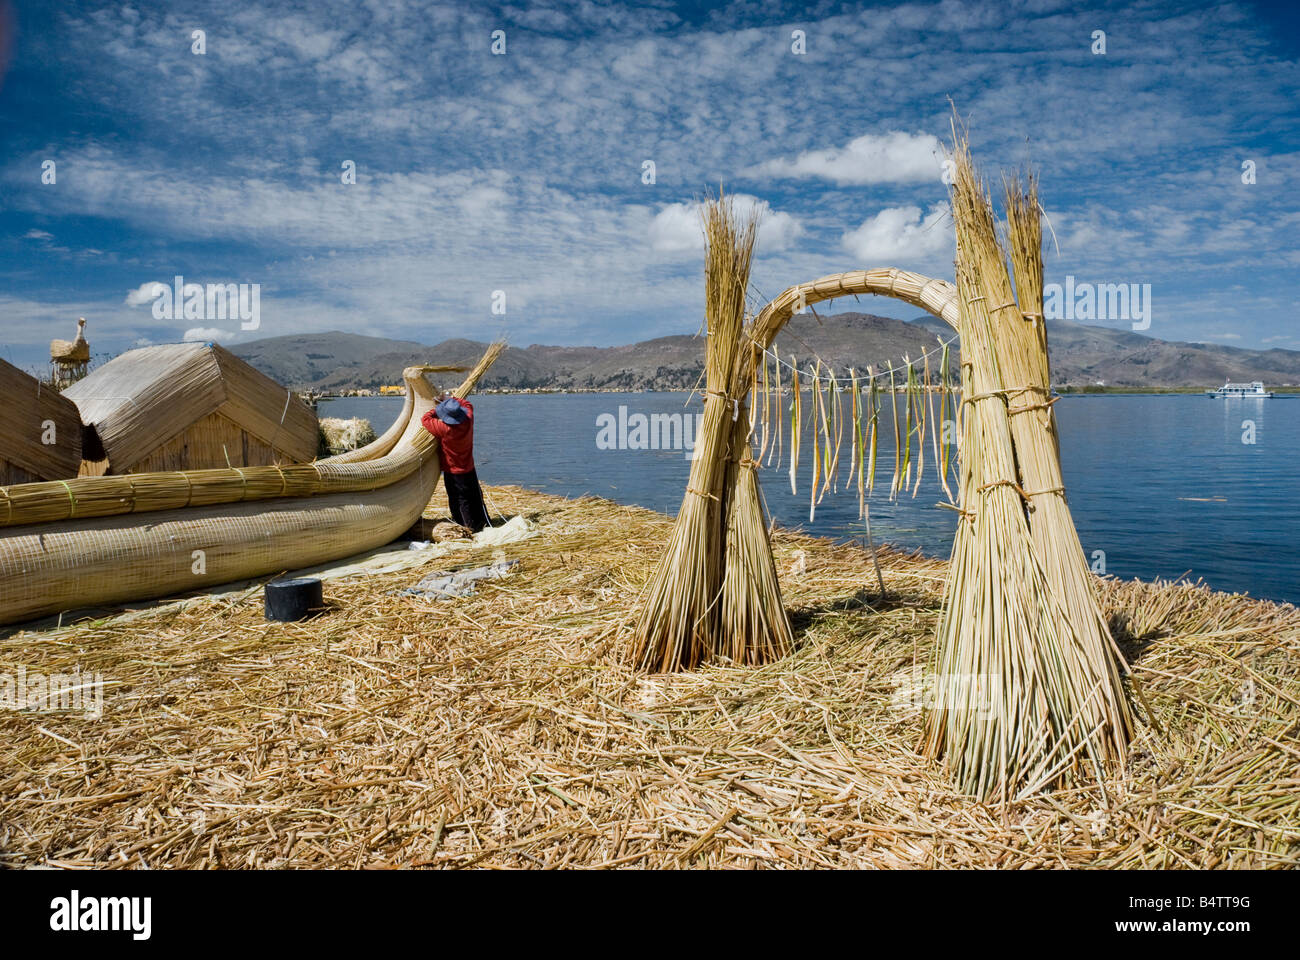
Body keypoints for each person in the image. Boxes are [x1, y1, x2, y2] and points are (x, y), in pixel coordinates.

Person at [420, 393, 490, 532]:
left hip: (453, 472)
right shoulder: (468, 419)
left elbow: (425, 419)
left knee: (459, 500)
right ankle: (483, 521)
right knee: (475, 496)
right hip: (469, 468)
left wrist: (439, 406)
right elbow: (468, 405)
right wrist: (451, 400)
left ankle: (467, 528)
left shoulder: (445, 429)